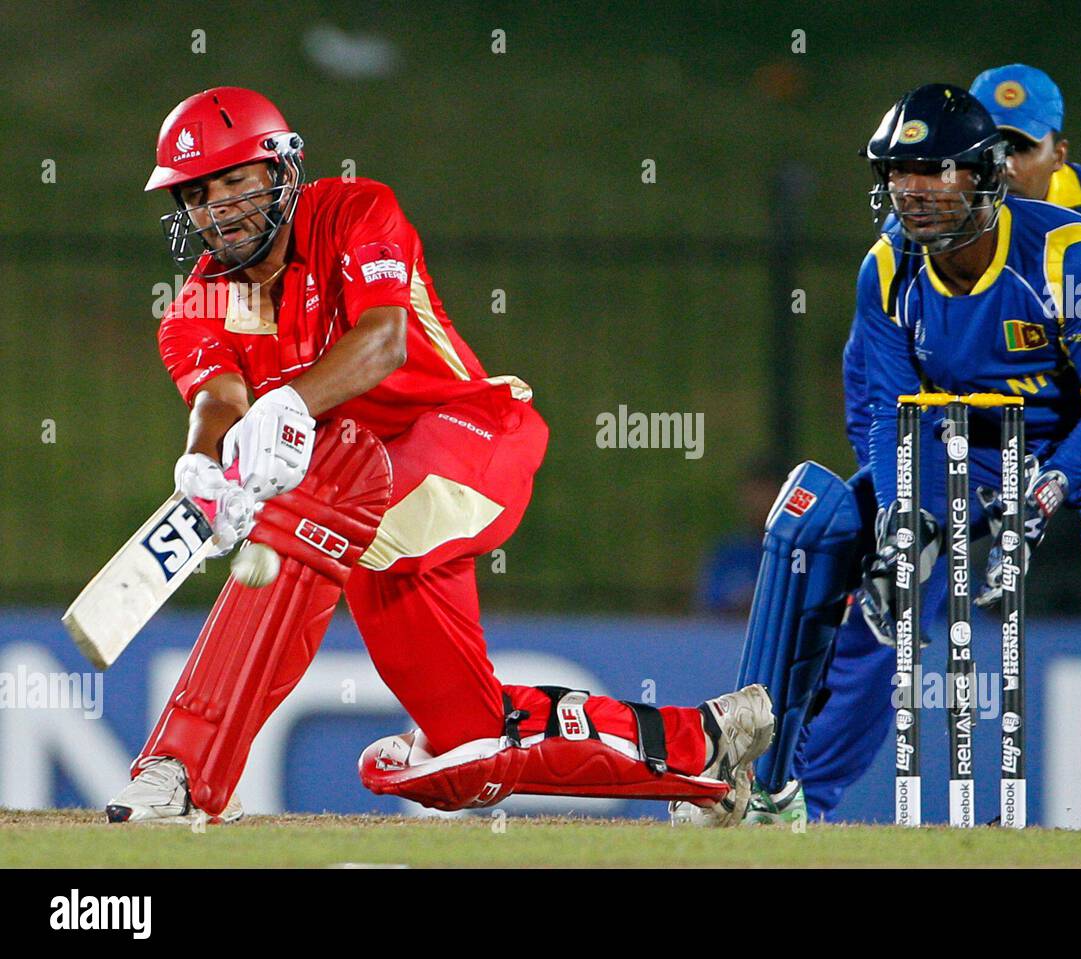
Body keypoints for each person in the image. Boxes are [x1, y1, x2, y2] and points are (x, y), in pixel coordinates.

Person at [106, 86, 773, 827]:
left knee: (310, 493)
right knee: (463, 755)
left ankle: (183, 770)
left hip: (467, 439)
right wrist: (202, 463)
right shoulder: (202, 301)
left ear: (283, 170)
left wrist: (290, 405)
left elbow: (383, 340)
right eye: (197, 194)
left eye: (234, 181)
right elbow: (218, 397)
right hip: (361, 512)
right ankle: (705, 750)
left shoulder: (354, 212)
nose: (218, 208)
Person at [747, 82, 1081, 829]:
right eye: (897, 170)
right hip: (992, 427)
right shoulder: (888, 270)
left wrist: (1047, 492)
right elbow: (890, 412)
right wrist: (906, 515)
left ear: (983, 175)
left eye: (932, 169)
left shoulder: (1071, 254)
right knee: (840, 539)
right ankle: (775, 790)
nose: (910, 189)